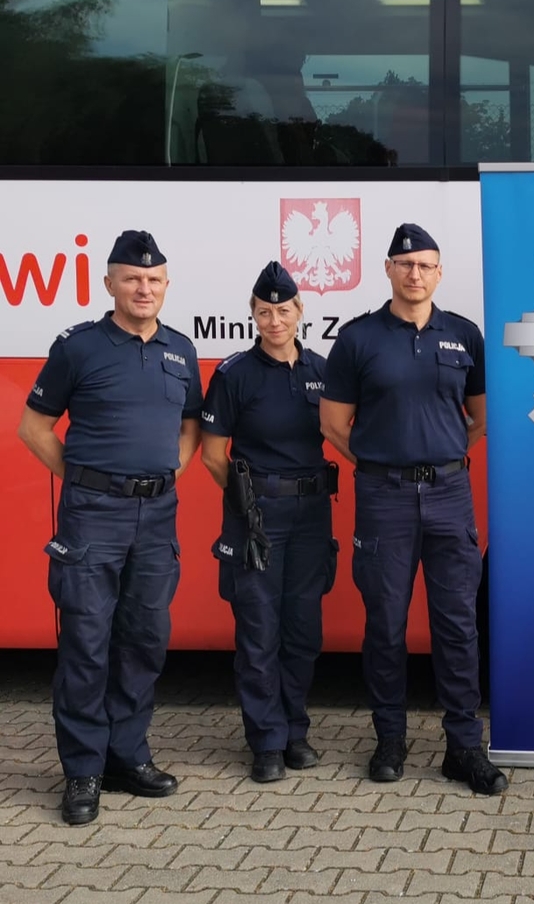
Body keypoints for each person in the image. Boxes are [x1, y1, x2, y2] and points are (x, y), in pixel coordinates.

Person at [16, 230, 202, 826]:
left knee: (143, 641)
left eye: (153, 280)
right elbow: (34, 427)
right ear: (110, 284)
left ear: (166, 286)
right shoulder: (79, 347)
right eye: (132, 279)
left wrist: (171, 467)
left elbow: (192, 423)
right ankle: (82, 770)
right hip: (92, 516)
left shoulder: (180, 349)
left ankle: (127, 756)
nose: (143, 288)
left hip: (158, 516)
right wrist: (83, 478)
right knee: (86, 644)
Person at [319, 223, 505, 794]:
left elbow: (480, 416)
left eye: (425, 265)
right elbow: (332, 423)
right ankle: (390, 740)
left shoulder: (464, 336)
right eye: (405, 265)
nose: (415, 274)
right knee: (386, 626)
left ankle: (463, 748)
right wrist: (381, 461)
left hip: (451, 496)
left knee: (457, 626)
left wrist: (441, 458)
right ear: (389, 270)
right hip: (384, 499)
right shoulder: (358, 339)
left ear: (439, 272)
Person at [199, 262, 338, 783]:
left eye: (283, 310)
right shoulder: (235, 374)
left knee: (303, 629)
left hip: (311, 515)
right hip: (256, 518)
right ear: (253, 316)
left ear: (300, 312)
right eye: (264, 312)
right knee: (259, 630)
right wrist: (247, 503)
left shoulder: (323, 370)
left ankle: (294, 731)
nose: (274, 320)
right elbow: (214, 456)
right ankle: (265, 741)